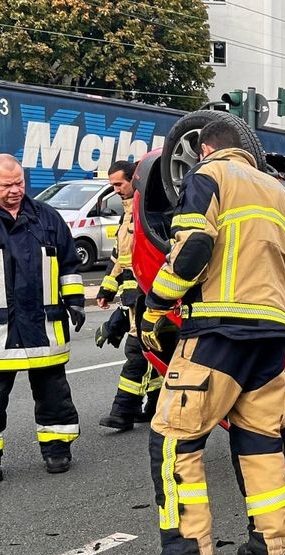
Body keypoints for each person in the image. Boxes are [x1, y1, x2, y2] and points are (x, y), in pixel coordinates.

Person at [136, 120, 285, 555]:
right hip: (271, 341)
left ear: (206, 148)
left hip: (217, 334)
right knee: (261, 443)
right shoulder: (279, 195)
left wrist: (155, 306)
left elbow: (193, 249)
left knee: (174, 438)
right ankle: (270, 551)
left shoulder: (209, 176)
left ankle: (186, 551)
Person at [0, 154, 85, 482]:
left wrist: (75, 301)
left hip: (44, 327)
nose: (15, 190)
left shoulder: (47, 219)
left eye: (19, 182)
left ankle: (57, 450)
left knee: (54, 394)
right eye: (7, 184)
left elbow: (68, 264)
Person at [96, 160, 161, 431]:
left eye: (119, 184)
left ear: (134, 180)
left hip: (148, 296)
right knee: (153, 355)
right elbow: (119, 258)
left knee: (138, 352)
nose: (116, 190)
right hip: (134, 297)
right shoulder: (128, 214)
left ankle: (123, 411)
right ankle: (154, 406)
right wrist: (106, 289)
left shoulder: (144, 212)